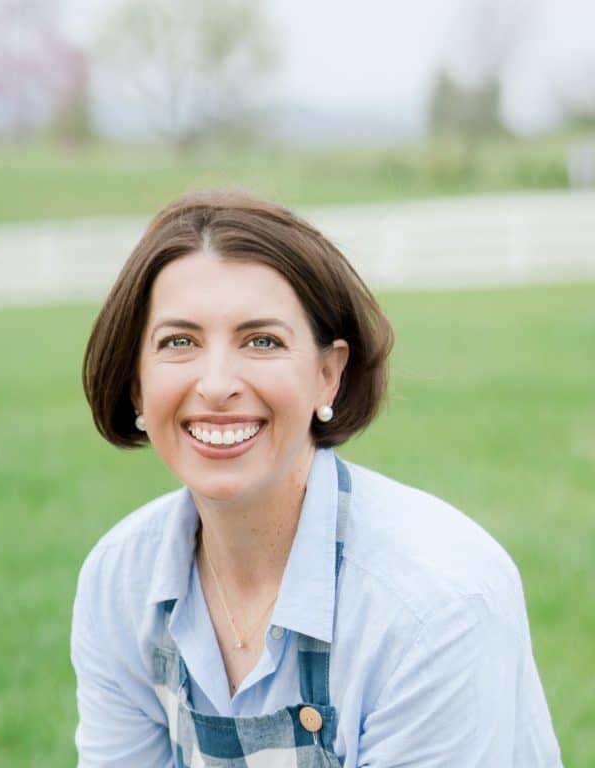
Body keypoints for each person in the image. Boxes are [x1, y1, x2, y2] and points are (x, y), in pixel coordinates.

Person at [71, 190, 562, 767]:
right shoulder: (119, 583)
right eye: (180, 342)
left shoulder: (433, 607)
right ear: (136, 385)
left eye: (262, 341)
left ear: (327, 376)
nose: (216, 384)